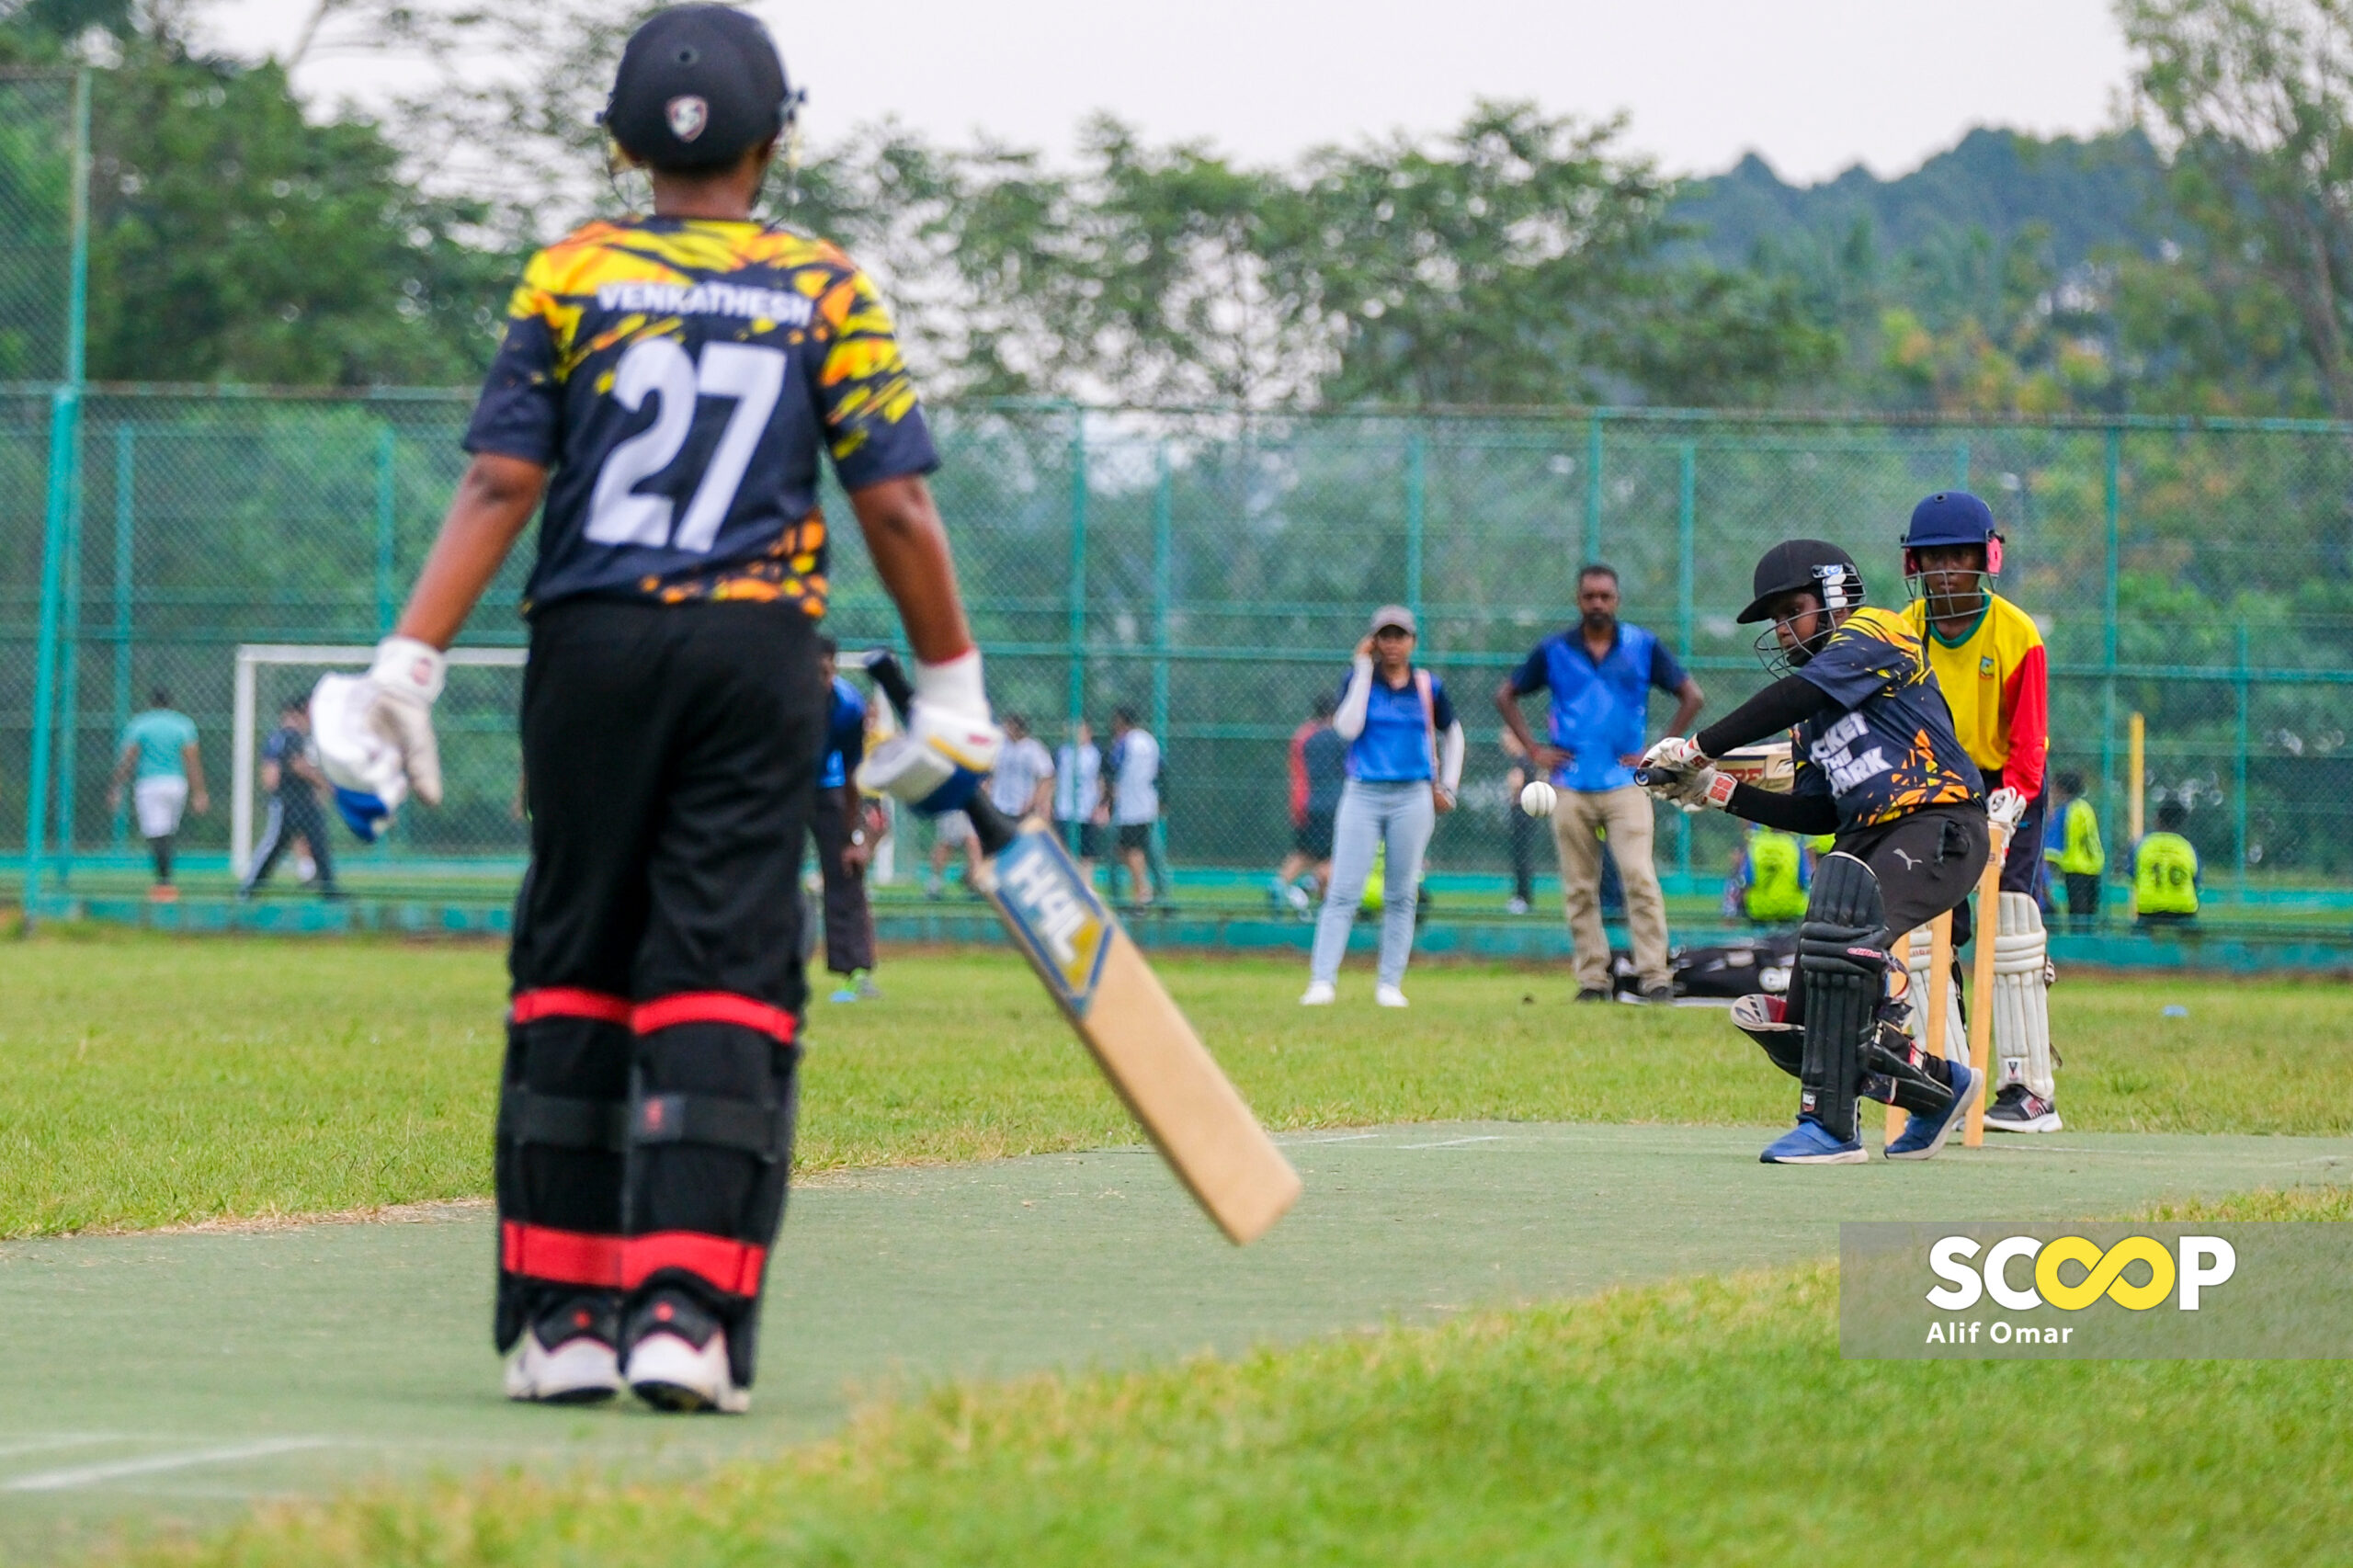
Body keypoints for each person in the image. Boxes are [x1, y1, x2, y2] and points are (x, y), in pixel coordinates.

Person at [314, 6, 1004, 1415]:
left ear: (624, 147)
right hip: (756, 650)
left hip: (590, 644)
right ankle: (682, 1315)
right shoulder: (823, 285)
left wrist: (409, 661)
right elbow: (896, 501)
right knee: (722, 967)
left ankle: (562, 1318)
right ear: (777, 142)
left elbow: (503, 482)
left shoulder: (572, 273)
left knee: (573, 956)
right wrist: (952, 686)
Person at [1639, 540, 1993, 1165]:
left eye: (1790, 610)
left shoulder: (1875, 631)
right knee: (1798, 1023)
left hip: (1937, 822)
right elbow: (1819, 812)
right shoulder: (1813, 719)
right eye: (1774, 620)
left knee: (1843, 951)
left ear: (1834, 596)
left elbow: (1793, 696)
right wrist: (1716, 790)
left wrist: (1696, 748)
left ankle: (1833, 1130)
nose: (1781, 630)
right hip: (1864, 838)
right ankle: (1939, 1088)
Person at [1895, 491, 2060, 1134]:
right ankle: (1947, 1079)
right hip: (1934, 787)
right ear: (1914, 563)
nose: (1945, 572)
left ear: (1985, 558)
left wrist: (2007, 808)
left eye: (1958, 558)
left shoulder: (2016, 633)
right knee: (1929, 932)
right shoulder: (1904, 631)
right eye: (1933, 559)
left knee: (2012, 925)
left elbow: (2029, 744)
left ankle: (2028, 1089)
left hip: (2004, 781)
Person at [1495, 563, 1704, 1004]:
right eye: (1590, 596)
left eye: (1605, 596)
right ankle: (1593, 978)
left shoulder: (1642, 646)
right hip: (1569, 784)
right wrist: (1534, 750)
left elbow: (1692, 695)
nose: (1598, 604)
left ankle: (1654, 975)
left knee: (1639, 877)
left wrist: (1660, 747)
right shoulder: (1553, 650)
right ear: (1579, 600)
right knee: (1579, 886)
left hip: (1626, 782)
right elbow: (1505, 695)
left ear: (1617, 600)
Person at [1302, 605, 1465, 1008]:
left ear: (1412, 641)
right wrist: (1360, 668)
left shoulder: (1428, 686)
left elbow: (1453, 733)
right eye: (1385, 636)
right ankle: (1323, 982)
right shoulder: (1360, 680)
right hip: (1363, 793)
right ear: (1375, 640)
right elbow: (1347, 728)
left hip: (1413, 796)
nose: (1392, 644)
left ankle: (1389, 984)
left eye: (1400, 636)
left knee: (1401, 893)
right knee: (1342, 891)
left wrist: (1449, 786)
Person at [812, 641, 878, 1002]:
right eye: (817, 672)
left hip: (827, 788)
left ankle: (855, 973)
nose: (824, 680)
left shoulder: (849, 706)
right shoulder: (778, 695)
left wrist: (851, 836)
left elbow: (852, 772)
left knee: (845, 871)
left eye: (829, 672)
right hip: (781, 786)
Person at [108, 687, 208, 902]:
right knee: (168, 832)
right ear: (171, 703)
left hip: (149, 783)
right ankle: (166, 881)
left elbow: (129, 758)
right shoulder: (183, 724)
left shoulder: (140, 724)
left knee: (156, 834)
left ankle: (164, 883)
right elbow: (192, 761)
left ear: (151, 703)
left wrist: (116, 786)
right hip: (176, 783)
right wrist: (199, 791)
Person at [239, 696, 340, 900]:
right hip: (291, 800)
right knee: (275, 845)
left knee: (318, 842)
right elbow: (297, 765)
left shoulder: (280, 737)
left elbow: (272, 768)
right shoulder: (291, 736)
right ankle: (249, 888)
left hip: (303, 800)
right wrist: (325, 784)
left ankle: (330, 889)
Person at [1275, 694, 1344, 912]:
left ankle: (1278, 886)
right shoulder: (1341, 736)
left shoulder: (1302, 735)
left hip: (1305, 803)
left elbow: (1295, 771)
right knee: (1333, 858)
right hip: (1333, 804)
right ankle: (1311, 889)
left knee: (1304, 852)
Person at [1106, 705, 1163, 906]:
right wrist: (1162, 800)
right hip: (1147, 801)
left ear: (1121, 721)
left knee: (1132, 850)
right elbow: (1161, 770)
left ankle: (1143, 892)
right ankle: (1145, 889)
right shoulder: (1149, 741)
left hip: (1129, 806)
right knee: (1127, 849)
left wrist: (1107, 800)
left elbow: (1112, 768)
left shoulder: (1124, 742)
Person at [2045, 770, 2105, 931]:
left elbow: (2052, 849)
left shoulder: (2064, 812)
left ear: (2061, 789)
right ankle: (2089, 947)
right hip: (2094, 867)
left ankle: (2078, 950)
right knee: (2090, 915)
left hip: (2076, 868)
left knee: (2077, 915)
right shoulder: (2086, 808)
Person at [2132, 800, 2201, 927]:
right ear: (2181, 823)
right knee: (2190, 939)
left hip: (2150, 909)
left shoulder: (2143, 845)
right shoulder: (2188, 848)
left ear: (2158, 820)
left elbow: (2133, 873)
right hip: (2183, 910)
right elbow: (2196, 881)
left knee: (2138, 938)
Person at [1052, 717, 1104, 882]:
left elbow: (1101, 781)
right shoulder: (1062, 752)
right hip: (1064, 810)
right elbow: (1052, 778)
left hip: (1086, 811)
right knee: (1064, 851)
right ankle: (1068, 885)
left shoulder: (1096, 754)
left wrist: (1101, 806)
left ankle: (1086, 887)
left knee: (1086, 854)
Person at [1731, 824, 1811, 925]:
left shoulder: (1756, 845)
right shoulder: (1795, 846)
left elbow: (1746, 880)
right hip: (1790, 910)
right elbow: (1804, 881)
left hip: (1759, 911)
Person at [989, 713, 1055, 824]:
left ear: (1017, 728)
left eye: (1009, 726)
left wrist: (1034, 801)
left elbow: (1047, 777)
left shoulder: (1033, 749)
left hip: (1023, 806)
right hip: (999, 804)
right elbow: (989, 773)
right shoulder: (1001, 746)